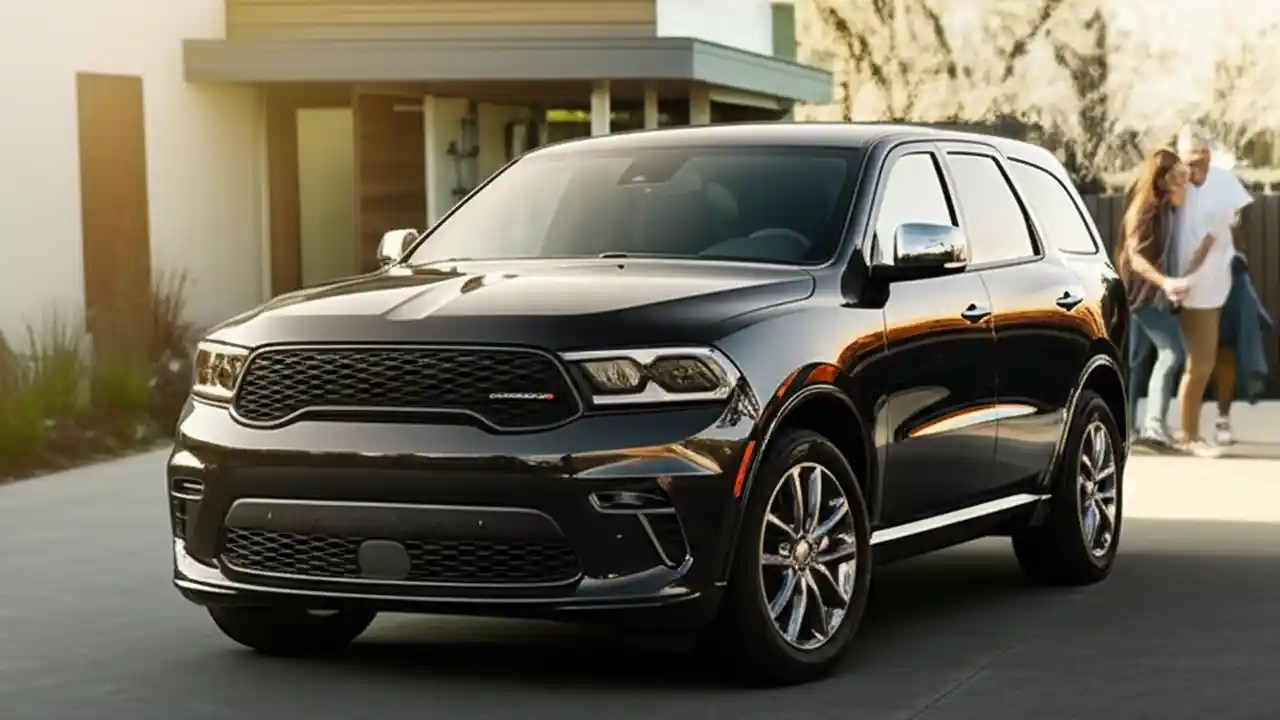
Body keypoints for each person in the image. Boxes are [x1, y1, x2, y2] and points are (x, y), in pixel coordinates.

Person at [1171, 125, 1254, 456]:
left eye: (1204, 158)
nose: (1199, 166)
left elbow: (1238, 222)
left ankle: (1198, 429)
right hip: (1188, 286)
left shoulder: (1223, 181)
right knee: (1199, 363)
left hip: (1222, 281)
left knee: (1216, 356)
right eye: (1192, 160)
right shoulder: (1176, 185)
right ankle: (1188, 436)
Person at [1116, 148, 1191, 447]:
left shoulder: (1164, 206)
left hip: (1151, 294)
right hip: (1141, 295)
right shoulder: (1145, 207)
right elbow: (1135, 257)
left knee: (1136, 360)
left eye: (1181, 174)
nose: (1181, 180)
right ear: (1159, 178)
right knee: (1172, 352)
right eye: (1174, 175)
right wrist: (1165, 283)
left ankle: (1127, 429)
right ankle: (1153, 426)